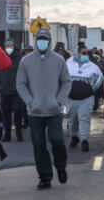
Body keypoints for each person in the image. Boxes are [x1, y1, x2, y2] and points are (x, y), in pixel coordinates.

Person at [17, 28, 72, 189]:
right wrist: (29, 101)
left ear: (49, 41)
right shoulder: (26, 61)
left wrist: (59, 100)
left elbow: (66, 81)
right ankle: (45, 177)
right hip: (35, 112)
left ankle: (60, 167)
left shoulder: (58, 60)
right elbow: (21, 84)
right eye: (39, 38)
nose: (42, 41)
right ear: (36, 40)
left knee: (57, 140)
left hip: (54, 110)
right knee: (39, 145)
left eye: (45, 39)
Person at [65, 46, 104, 152]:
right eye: (83, 53)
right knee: (72, 120)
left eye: (87, 53)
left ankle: (85, 141)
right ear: (77, 53)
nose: (86, 55)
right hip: (71, 98)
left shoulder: (93, 67)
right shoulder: (68, 64)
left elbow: (100, 81)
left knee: (84, 120)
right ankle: (74, 137)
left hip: (86, 99)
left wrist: (100, 95)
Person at [0, 38, 25, 142]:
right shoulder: (1, 57)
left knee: (18, 111)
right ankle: (7, 134)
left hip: (17, 91)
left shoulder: (19, 58)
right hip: (4, 90)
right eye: (7, 46)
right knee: (6, 113)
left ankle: (19, 132)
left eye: (11, 46)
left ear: (14, 46)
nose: (9, 48)